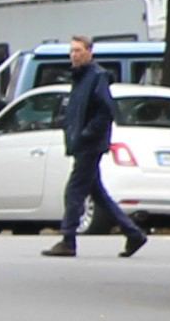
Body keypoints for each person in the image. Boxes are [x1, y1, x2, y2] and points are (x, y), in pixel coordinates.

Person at [47, 33, 144, 257]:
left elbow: (105, 111)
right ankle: (133, 233)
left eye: (78, 51)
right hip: (82, 143)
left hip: (90, 145)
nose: (74, 55)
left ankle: (68, 239)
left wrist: (86, 134)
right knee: (97, 193)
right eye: (72, 51)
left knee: (73, 191)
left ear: (90, 52)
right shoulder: (80, 77)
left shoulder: (96, 77)